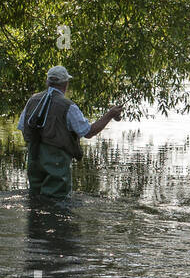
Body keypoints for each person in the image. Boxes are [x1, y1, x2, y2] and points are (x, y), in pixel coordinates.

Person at [18, 65, 123, 200]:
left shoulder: (32, 101)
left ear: (47, 82)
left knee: (35, 199)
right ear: (66, 84)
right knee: (57, 201)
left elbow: (23, 128)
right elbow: (88, 132)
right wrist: (110, 114)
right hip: (57, 164)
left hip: (33, 158)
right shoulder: (68, 106)